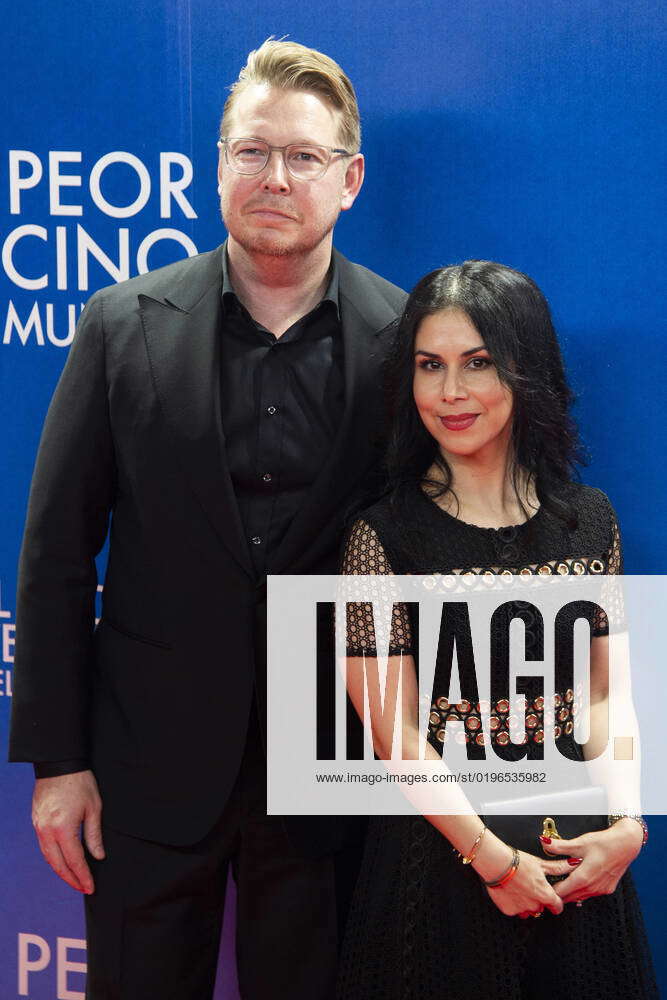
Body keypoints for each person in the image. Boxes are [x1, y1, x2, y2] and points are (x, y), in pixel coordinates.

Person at [9, 39, 406, 1000]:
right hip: (145, 774)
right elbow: (58, 553)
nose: (274, 177)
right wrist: (58, 762)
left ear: (348, 179)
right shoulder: (120, 323)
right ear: (217, 166)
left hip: (333, 780)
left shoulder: (405, 342)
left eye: (303, 157)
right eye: (251, 151)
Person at [336, 261, 658, 999]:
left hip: (580, 855)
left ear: (526, 373)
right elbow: (396, 733)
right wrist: (487, 857)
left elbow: (605, 699)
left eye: (477, 364)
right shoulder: (380, 536)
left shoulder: (590, 520)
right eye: (429, 366)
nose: (449, 393)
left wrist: (626, 827)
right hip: (439, 862)